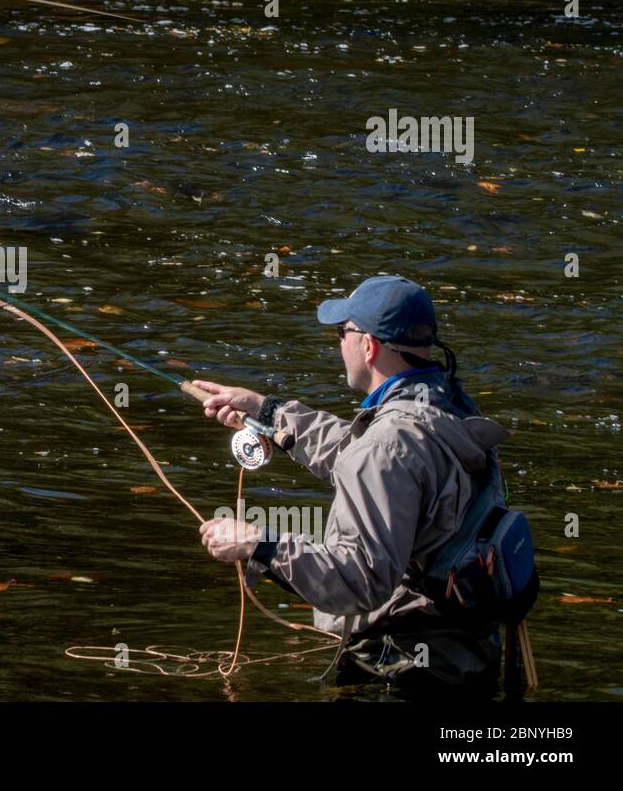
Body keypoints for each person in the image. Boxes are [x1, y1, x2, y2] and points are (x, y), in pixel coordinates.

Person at [193, 274, 516, 694]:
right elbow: (361, 456)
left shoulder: (388, 444)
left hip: (403, 674)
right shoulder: (444, 407)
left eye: (342, 332)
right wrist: (267, 411)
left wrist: (257, 544)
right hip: (467, 657)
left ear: (368, 346)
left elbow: (358, 581)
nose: (337, 342)